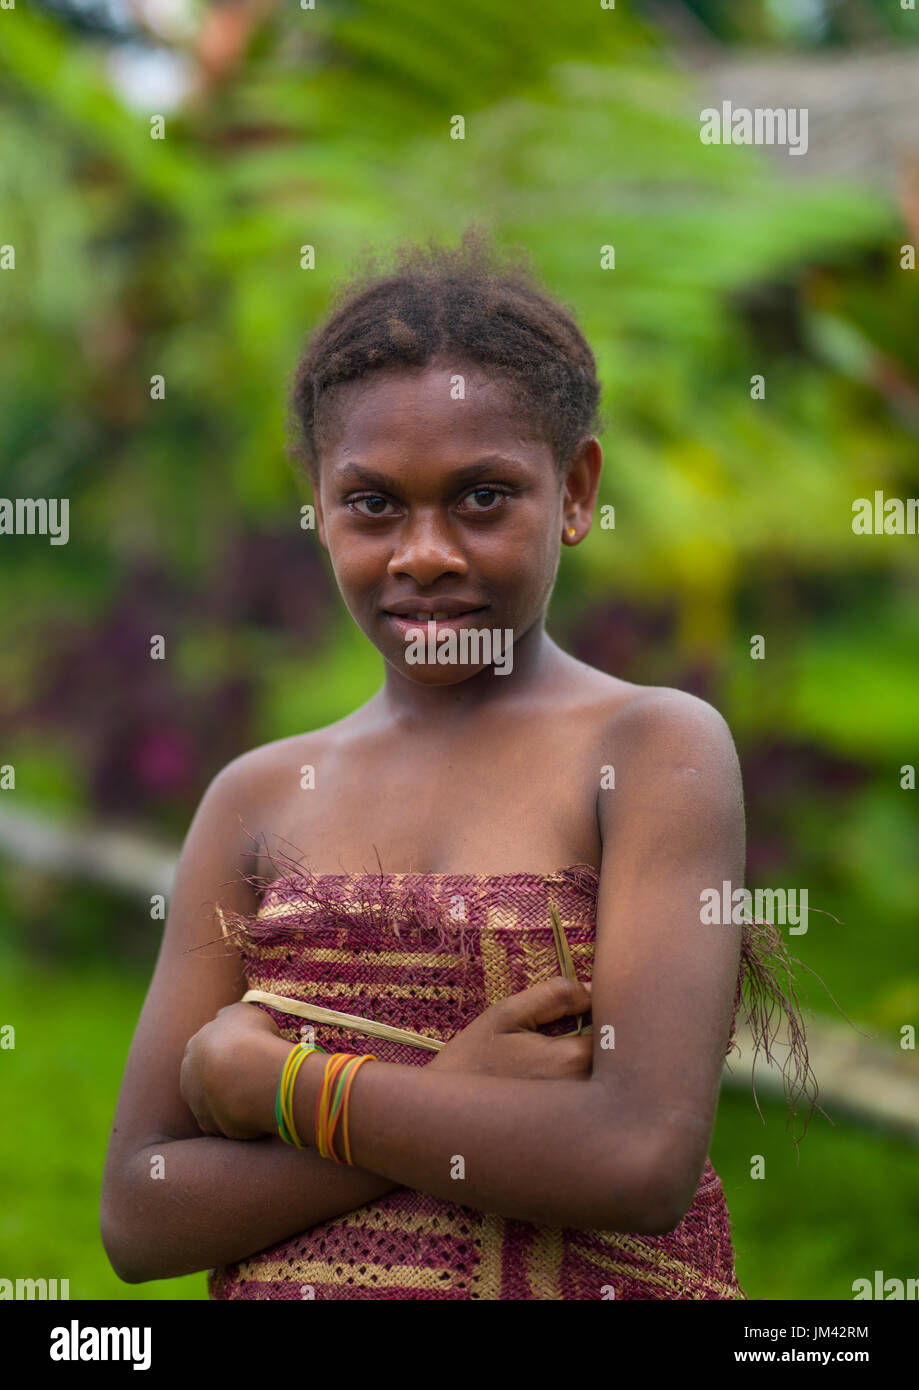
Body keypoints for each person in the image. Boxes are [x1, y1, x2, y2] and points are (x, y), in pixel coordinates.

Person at [100, 225, 816, 1299]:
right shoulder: (254, 798)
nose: (424, 552)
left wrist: (291, 1089)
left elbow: (636, 1158)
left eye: (482, 497)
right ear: (321, 509)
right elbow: (142, 1214)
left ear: (573, 493)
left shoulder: (649, 749)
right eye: (373, 502)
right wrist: (447, 1092)